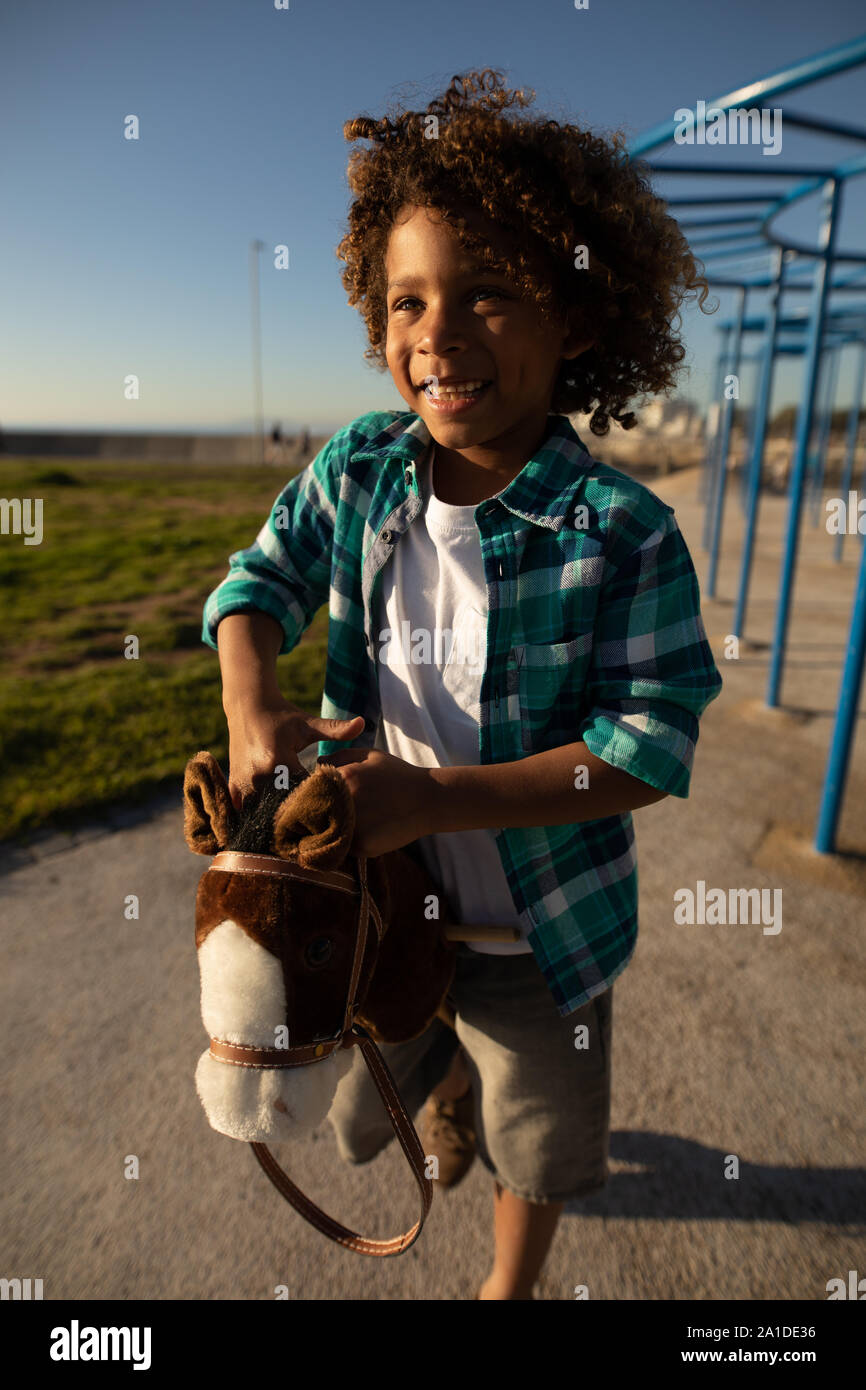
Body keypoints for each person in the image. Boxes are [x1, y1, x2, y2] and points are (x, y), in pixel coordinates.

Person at [200, 69, 722, 1300]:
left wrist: (439, 799)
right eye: (408, 300)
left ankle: (508, 1286)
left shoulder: (620, 529)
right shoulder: (359, 471)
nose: (437, 333)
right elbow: (251, 584)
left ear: (580, 320)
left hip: (545, 938)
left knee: (534, 1145)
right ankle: (443, 1087)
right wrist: (247, 700)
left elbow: (644, 748)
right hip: (387, 908)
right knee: (362, 1108)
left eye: (488, 292)